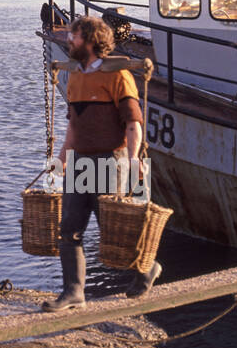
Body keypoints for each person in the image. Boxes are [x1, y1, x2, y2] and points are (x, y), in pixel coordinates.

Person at [42, 16, 161, 312]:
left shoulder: (118, 76)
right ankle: (73, 292)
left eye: (75, 36)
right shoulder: (77, 76)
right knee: (69, 228)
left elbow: (133, 122)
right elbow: (73, 125)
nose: (69, 40)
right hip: (80, 162)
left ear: (92, 41)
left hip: (110, 161)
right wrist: (61, 160)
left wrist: (134, 161)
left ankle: (147, 269)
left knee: (112, 229)